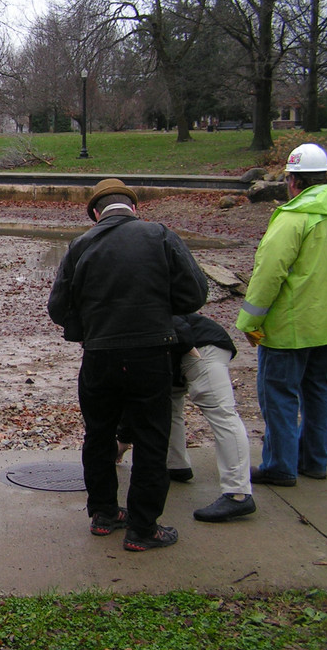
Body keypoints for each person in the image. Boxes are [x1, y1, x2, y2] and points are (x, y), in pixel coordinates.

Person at [48, 178, 207, 551]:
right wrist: (159, 309)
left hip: (99, 356)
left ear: (95, 214)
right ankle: (143, 527)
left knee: (99, 435)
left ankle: (104, 514)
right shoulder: (160, 236)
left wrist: (86, 329)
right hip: (151, 355)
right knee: (152, 438)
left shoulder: (80, 246)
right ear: (135, 209)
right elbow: (195, 293)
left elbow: (58, 308)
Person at [236, 143, 327, 486]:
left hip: (291, 326)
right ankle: (314, 461)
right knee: (321, 393)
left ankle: (280, 466)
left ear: (292, 181)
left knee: (278, 395)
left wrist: (249, 321)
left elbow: (268, 273)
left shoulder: (294, 217)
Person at [120, 313, 256, 522]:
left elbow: (134, 401)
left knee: (220, 412)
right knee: (168, 403)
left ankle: (238, 494)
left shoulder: (130, 315)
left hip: (201, 345)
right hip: (177, 352)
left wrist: (122, 442)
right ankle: (176, 465)